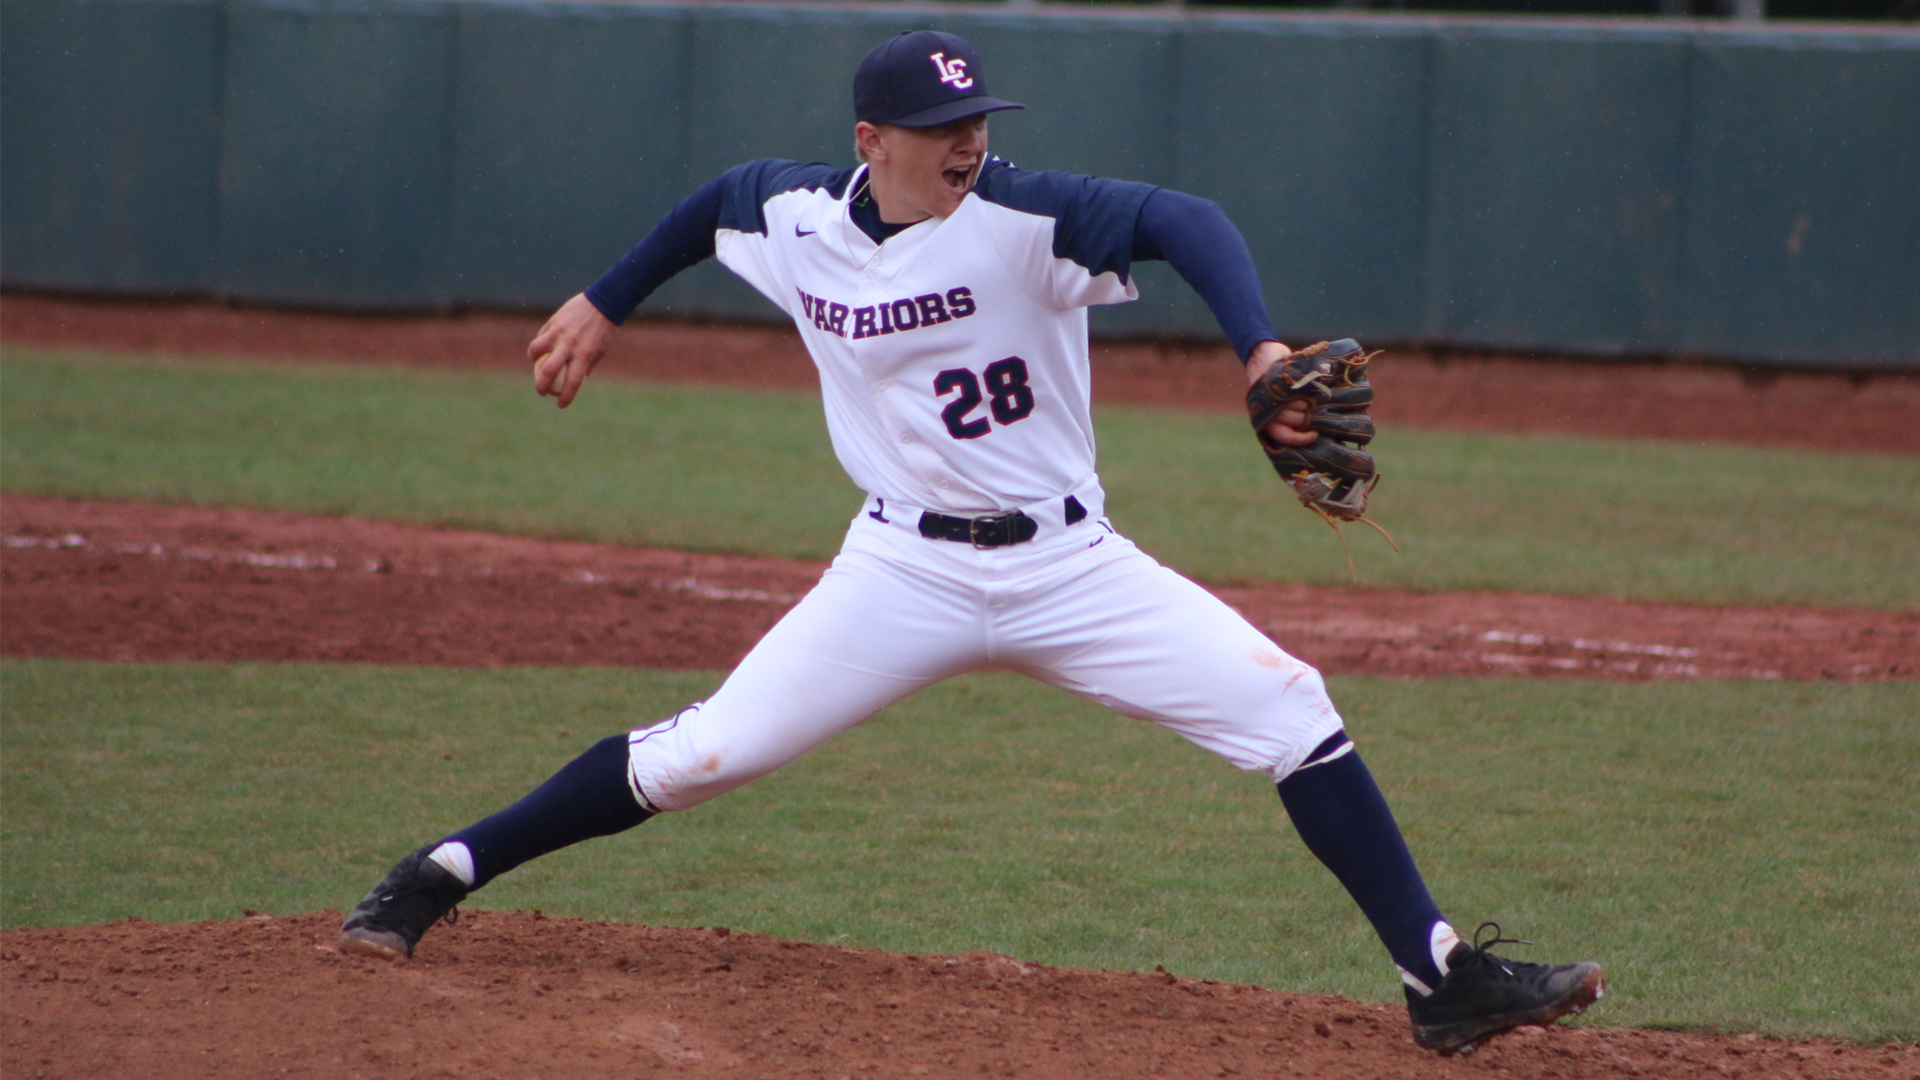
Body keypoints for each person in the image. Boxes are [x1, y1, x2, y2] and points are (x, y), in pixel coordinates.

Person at [338, 30, 1602, 1055]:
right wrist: (603, 300)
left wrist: (1260, 348)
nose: (970, 143)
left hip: (1071, 568)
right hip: (901, 570)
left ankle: (1438, 978)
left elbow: (1188, 217)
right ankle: (440, 870)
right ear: (869, 143)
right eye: (943, 129)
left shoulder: (1027, 218)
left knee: (1291, 707)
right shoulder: (796, 218)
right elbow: (706, 208)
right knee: (705, 756)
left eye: (979, 121)